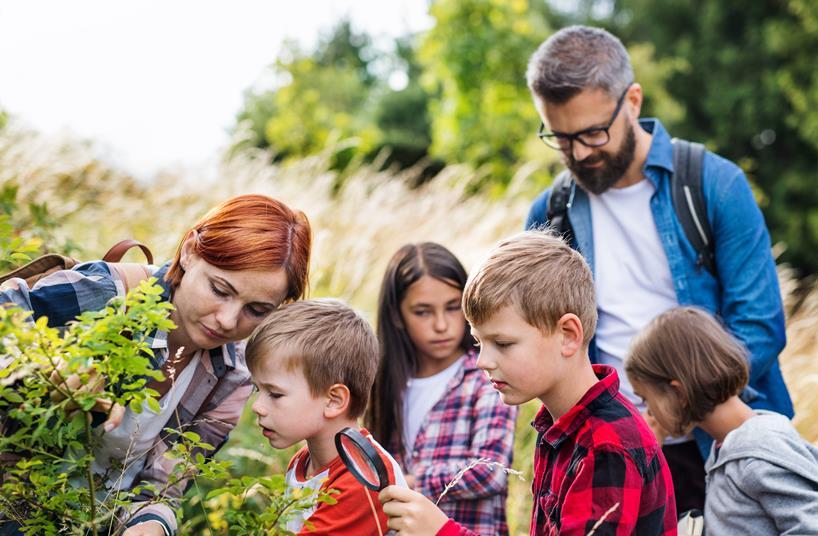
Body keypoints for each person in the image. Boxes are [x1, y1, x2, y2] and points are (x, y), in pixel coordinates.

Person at [523, 25, 791, 512]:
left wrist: (669, 412)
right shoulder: (549, 214)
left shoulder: (714, 185)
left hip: (723, 447)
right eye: (560, 139)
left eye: (592, 133)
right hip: (607, 451)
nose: (579, 153)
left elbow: (760, 327)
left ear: (633, 101)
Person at [0, 193, 312, 535]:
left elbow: (163, 484)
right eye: (220, 290)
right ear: (191, 251)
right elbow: (7, 311)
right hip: (17, 504)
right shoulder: (111, 294)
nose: (227, 320)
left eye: (256, 310)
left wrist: (152, 521)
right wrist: (48, 367)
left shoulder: (232, 375)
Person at [379, 231, 676, 536]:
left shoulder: (605, 446)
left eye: (503, 343)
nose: (483, 361)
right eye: (479, 342)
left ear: (568, 335)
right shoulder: (560, 426)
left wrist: (442, 531)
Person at [626, 306, 818, 535]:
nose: (647, 412)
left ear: (678, 393)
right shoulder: (728, 449)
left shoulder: (756, 456)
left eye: (646, 399)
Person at [365, 243, 516, 535]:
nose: (441, 325)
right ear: (397, 316)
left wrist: (413, 481)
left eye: (452, 307)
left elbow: (492, 472)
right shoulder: (386, 384)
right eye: (423, 312)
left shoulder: (486, 376)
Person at [247, 298, 407, 534]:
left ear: (334, 400)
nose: (257, 406)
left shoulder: (363, 478)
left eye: (275, 394)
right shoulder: (303, 462)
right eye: (257, 389)